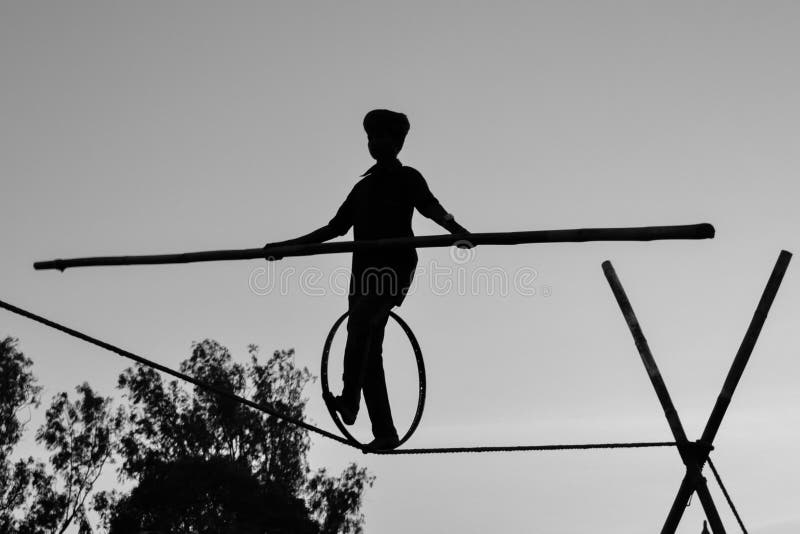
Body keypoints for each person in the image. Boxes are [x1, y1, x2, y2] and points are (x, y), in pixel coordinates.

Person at [265, 109, 470, 450]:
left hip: (394, 267)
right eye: (371, 137)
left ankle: (349, 399)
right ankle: (385, 431)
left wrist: (458, 232)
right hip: (362, 273)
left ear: (398, 142)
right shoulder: (362, 189)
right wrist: (286, 248)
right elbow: (334, 229)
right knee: (368, 348)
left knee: (361, 323)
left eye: (384, 136)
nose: (376, 143)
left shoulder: (409, 179)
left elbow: (433, 208)